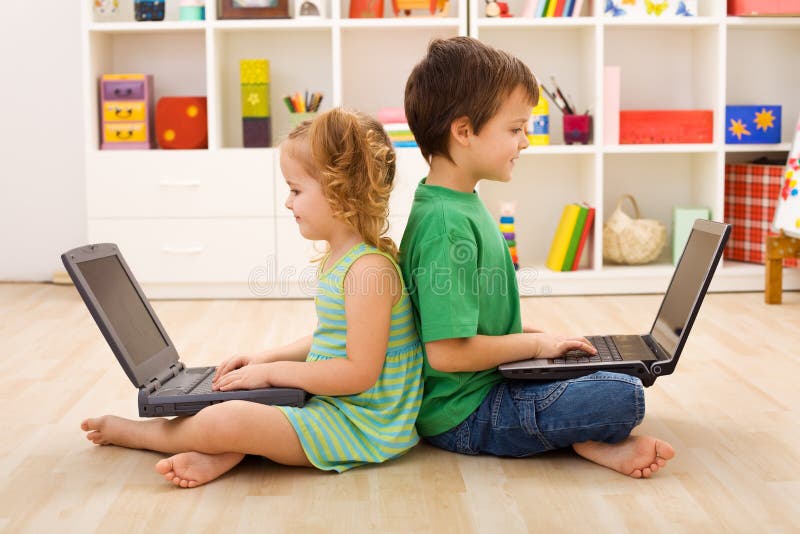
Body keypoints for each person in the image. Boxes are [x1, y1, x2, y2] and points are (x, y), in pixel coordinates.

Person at [81, 108, 424, 488]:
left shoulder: (369, 270)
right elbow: (336, 337)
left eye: (296, 190)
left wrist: (271, 373)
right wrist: (266, 358)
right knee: (241, 402)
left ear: (341, 189)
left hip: (363, 423)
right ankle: (230, 452)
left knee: (226, 418)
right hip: (339, 406)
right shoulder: (341, 259)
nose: (288, 203)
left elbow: (357, 372)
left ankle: (142, 434)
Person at [399, 37, 674, 478]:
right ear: (464, 131)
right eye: (515, 129)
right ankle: (583, 439)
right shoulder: (445, 225)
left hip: (491, 383)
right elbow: (447, 353)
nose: (525, 141)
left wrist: (543, 343)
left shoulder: (458, 202)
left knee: (608, 373)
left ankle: (580, 437)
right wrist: (536, 346)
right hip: (465, 414)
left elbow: (472, 316)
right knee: (624, 395)